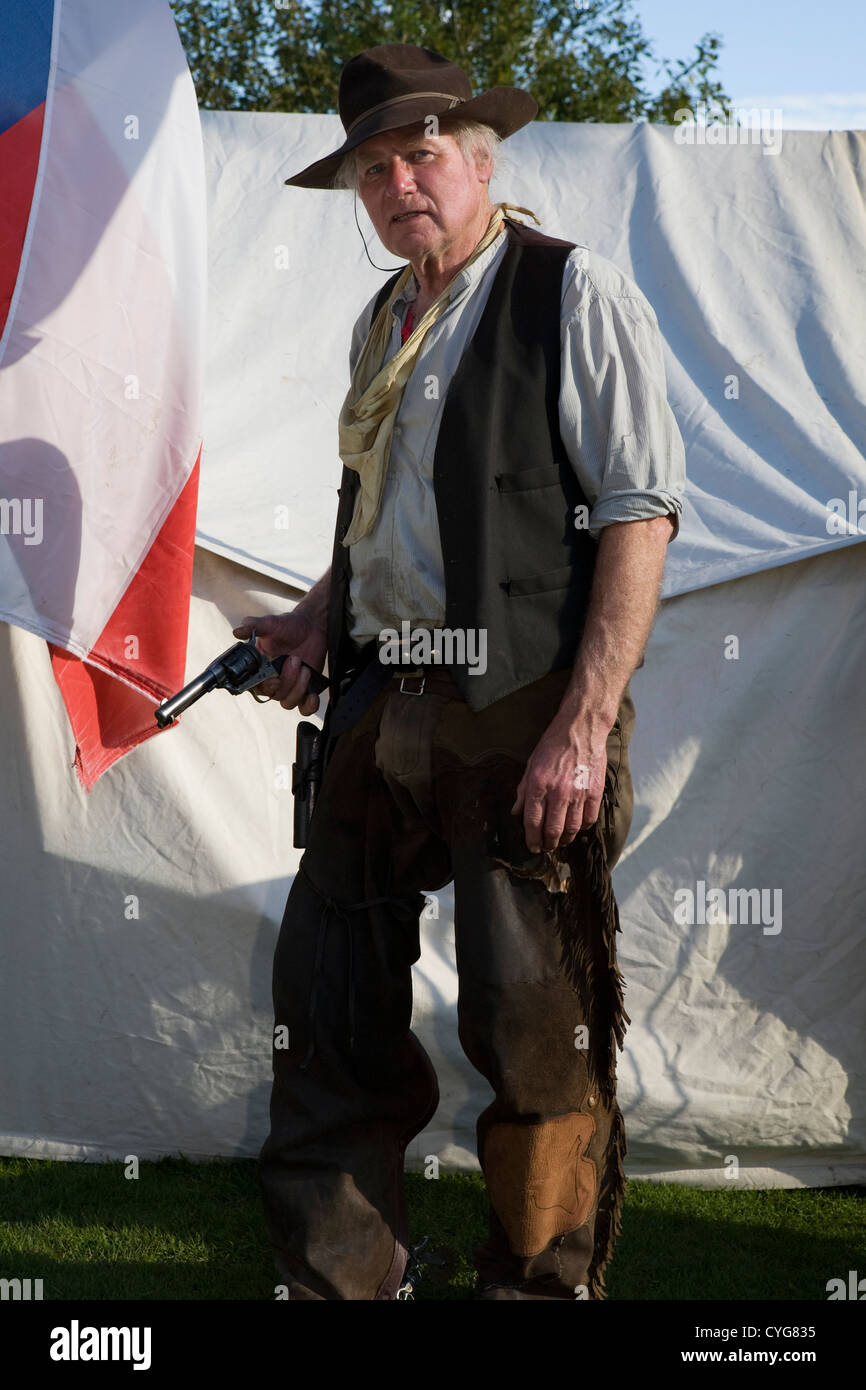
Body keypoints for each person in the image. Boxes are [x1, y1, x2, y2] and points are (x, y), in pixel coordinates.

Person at [234, 42, 685, 1300]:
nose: (395, 184)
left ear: (479, 161)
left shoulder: (566, 292)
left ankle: (541, 1283)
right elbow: (387, 521)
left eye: (418, 153)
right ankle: (341, 1280)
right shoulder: (382, 322)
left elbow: (638, 513)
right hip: (385, 702)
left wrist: (583, 725)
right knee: (326, 1008)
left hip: (523, 706)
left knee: (532, 1026)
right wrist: (319, 617)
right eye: (372, 168)